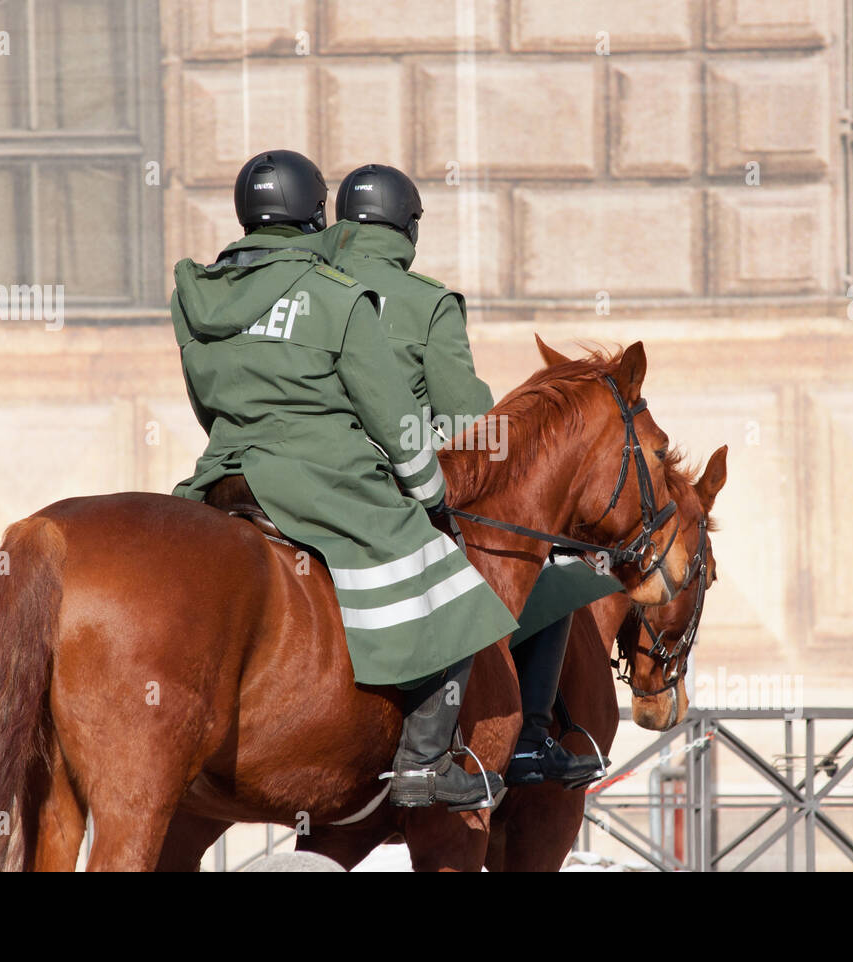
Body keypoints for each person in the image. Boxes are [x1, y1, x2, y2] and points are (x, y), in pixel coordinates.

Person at [170, 150, 519, 810]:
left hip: (220, 476)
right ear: (315, 214)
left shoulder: (196, 299)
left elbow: (205, 404)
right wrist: (429, 492)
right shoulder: (334, 297)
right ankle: (420, 767)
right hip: (323, 480)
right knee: (456, 597)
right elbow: (398, 421)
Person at [332, 163, 616, 789]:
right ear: (408, 227)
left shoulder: (306, 286)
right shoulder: (428, 303)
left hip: (273, 480)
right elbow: (471, 428)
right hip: (394, 490)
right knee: (552, 578)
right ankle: (529, 740)